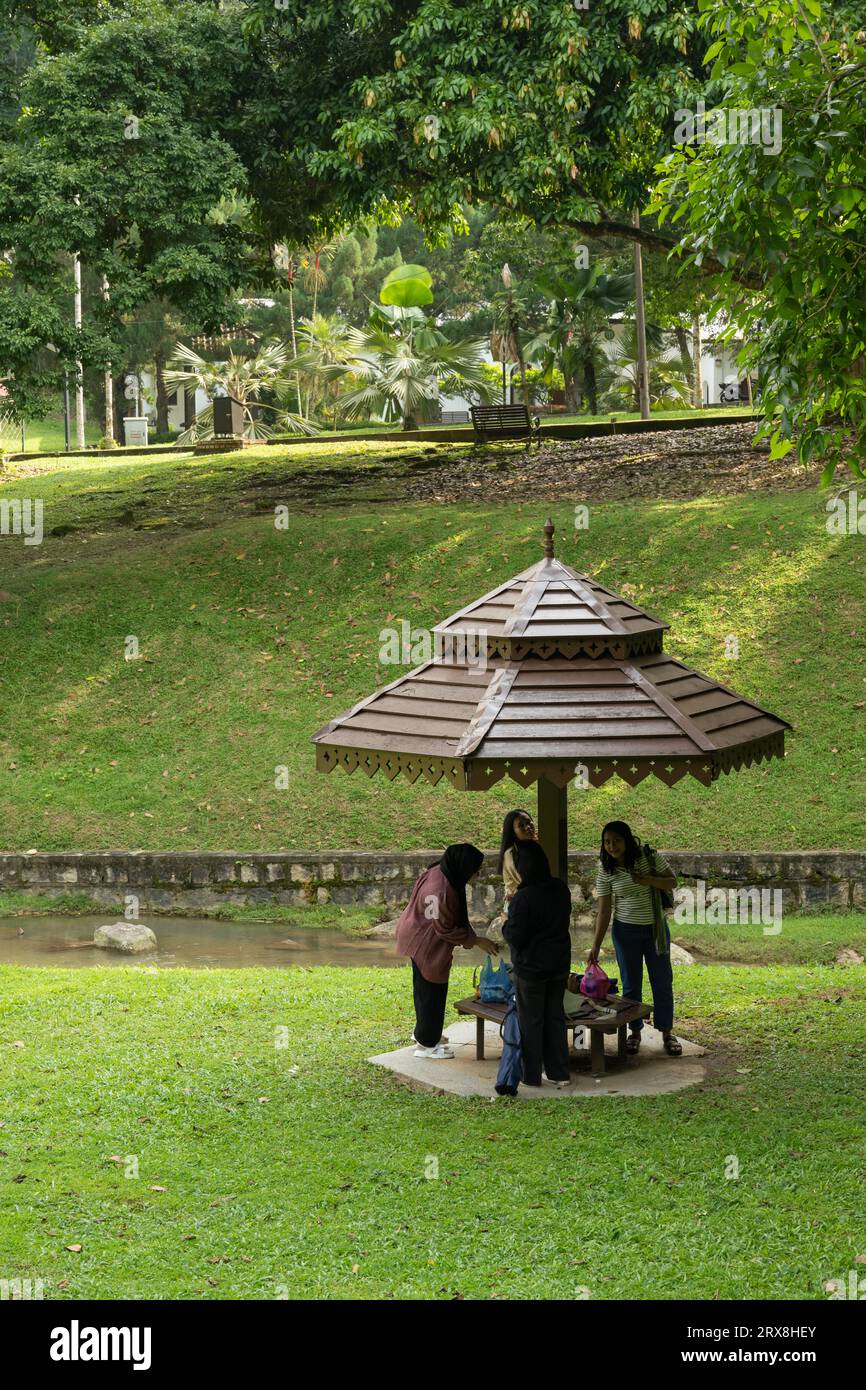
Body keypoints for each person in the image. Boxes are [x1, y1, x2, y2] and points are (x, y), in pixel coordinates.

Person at [395, 843, 499, 1060]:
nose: (476, 875)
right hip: (424, 942)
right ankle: (427, 1045)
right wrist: (477, 940)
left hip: (419, 936)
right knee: (432, 990)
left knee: (424, 989)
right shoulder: (439, 889)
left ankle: (424, 1033)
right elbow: (443, 928)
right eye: (475, 870)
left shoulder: (441, 871)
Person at [588, 820, 681, 1056]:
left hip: (655, 930)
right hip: (625, 932)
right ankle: (635, 1032)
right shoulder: (605, 868)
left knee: (662, 981)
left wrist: (648, 879)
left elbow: (672, 881)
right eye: (607, 842)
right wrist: (596, 945)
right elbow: (604, 910)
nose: (612, 846)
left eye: (617, 841)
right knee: (631, 984)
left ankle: (667, 1032)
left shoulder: (647, 857)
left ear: (628, 840)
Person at [502, 840, 572, 1088]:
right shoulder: (561, 889)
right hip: (558, 965)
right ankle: (559, 1072)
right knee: (555, 1018)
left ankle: (530, 1075)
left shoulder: (523, 897)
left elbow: (516, 936)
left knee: (531, 1021)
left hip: (531, 969)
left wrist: (505, 922)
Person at [496, 808, 538, 905]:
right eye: (521, 825)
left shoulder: (534, 847)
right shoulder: (511, 853)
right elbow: (529, 881)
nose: (528, 827)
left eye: (529, 822)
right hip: (520, 905)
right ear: (513, 832)